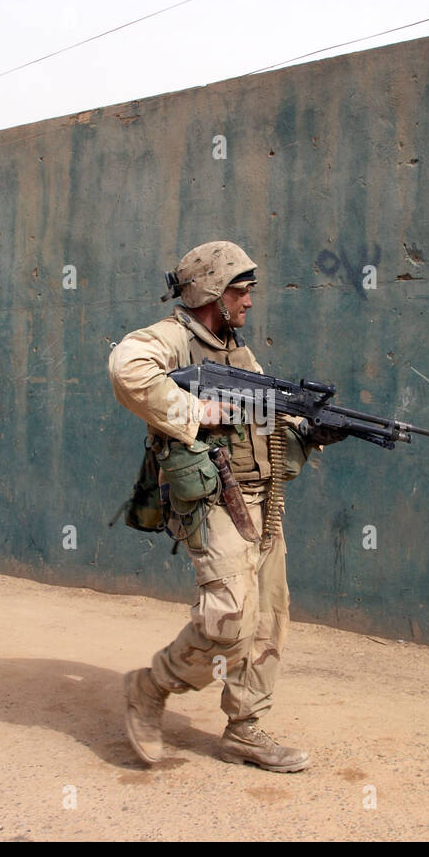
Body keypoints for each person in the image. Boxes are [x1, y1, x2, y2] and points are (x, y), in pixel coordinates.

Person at [107, 241, 344, 773]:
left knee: (268, 620)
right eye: (243, 290)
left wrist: (313, 430)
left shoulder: (235, 349)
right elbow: (127, 369)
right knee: (229, 618)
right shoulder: (173, 338)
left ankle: (245, 728)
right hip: (216, 500)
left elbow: (265, 416)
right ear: (214, 291)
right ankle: (151, 687)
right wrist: (194, 408)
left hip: (262, 498)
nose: (250, 302)